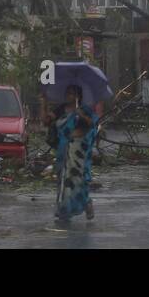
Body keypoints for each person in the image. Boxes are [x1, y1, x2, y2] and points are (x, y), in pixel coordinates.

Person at [50, 84, 98, 221]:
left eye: (71, 93)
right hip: (63, 149)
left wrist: (80, 114)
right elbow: (47, 120)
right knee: (63, 180)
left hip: (78, 151)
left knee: (76, 180)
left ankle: (86, 203)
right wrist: (43, 103)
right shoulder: (61, 109)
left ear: (78, 96)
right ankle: (64, 208)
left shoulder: (84, 110)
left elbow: (91, 125)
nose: (68, 96)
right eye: (67, 93)